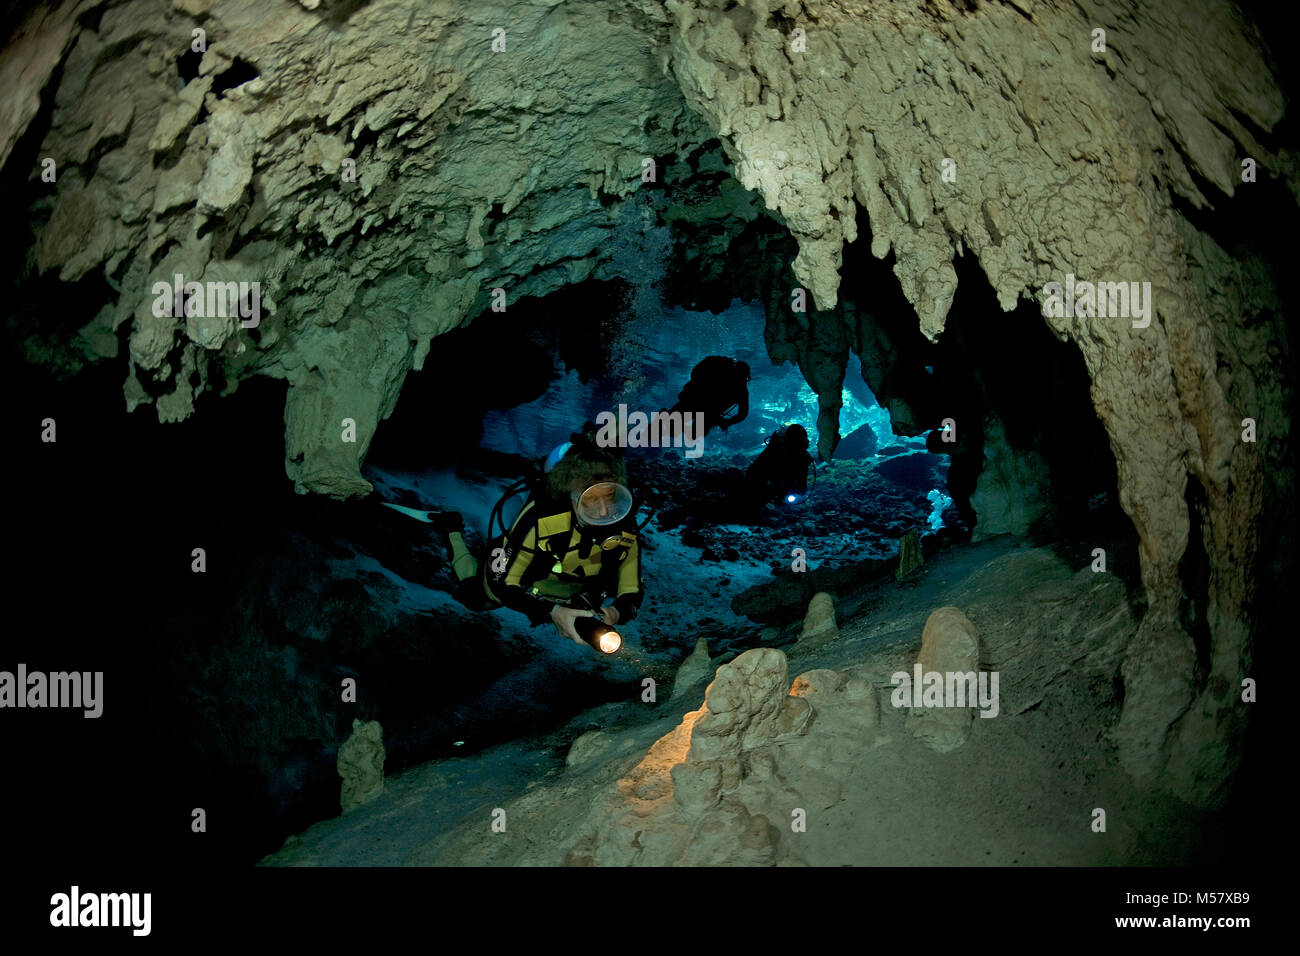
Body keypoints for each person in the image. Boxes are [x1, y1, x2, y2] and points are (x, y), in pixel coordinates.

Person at [436, 435, 643, 646]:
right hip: (525, 578)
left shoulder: (626, 527)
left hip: (574, 590)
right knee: (475, 598)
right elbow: (504, 583)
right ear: (570, 494)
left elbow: (632, 589)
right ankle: (451, 528)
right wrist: (550, 611)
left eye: (609, 496)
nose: (602, 511)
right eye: (590, 498)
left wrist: (615, 613)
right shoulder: (542, 519)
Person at [738, 423, 813, 511]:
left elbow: (801, 484)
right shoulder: (776, 448)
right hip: (769, 482)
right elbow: (756, 470)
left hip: (773, 483)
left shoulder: (801, 456)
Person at [667, 356, 750, 434]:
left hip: (700, 407)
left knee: (692, 433)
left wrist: (727, 422)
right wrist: (727, 422)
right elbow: (742, 414)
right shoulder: (741, 389)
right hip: (697, 405)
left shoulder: (741, 389)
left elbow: (742, 414)